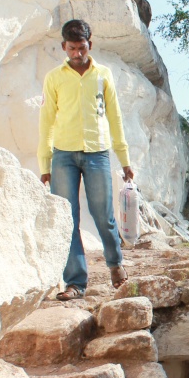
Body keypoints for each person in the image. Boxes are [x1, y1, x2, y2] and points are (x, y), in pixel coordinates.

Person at [38, 19, 133, 300]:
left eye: (81, 48)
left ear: (89, 45)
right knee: (68, 219)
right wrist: (45, 163)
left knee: (103, 215)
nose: (77, 54)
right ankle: (75, 283)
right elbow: (46, 121)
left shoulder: (103, 75)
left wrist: (124, 159)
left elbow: (115, 117)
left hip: (97, 153)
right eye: (71, 48)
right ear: (63, 47)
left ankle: (115, 265)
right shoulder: (54, 78)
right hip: (63, 156)